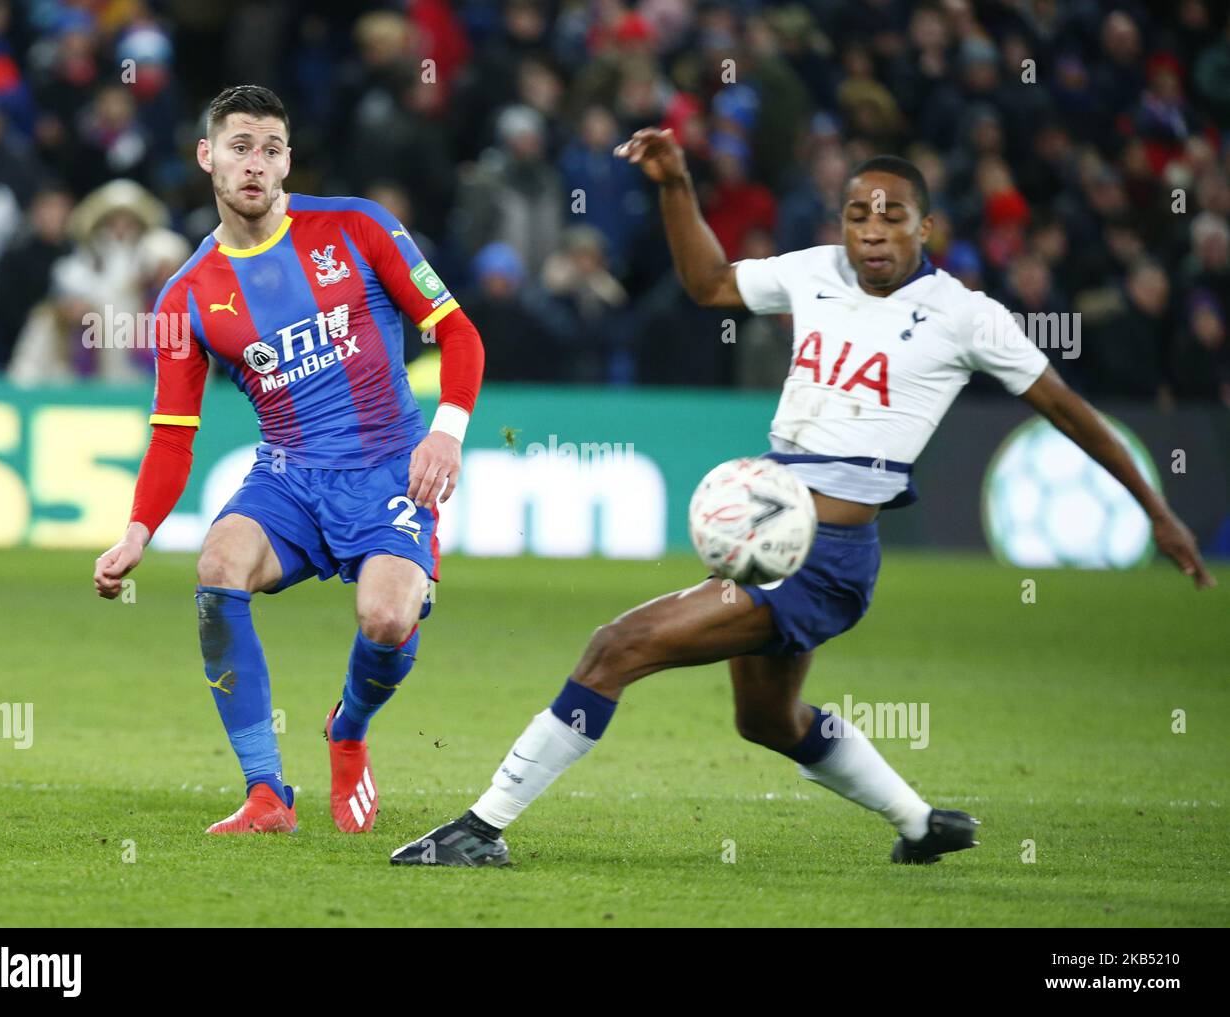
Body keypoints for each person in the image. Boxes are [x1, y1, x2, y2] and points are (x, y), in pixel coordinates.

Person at [391, 128, 1213, 869]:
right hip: (775, 536)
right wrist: (677, 184)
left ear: (925, 229)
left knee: (615, 648)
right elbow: (710, 283)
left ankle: (481, 829)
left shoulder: (967, 317)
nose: (871, 230)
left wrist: (1157, 510)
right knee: (767, 720)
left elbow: (1072, 413)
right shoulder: (816, 273)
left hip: (826, 557)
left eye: (892, 217)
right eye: (857, 214)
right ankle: (921, 824)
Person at [92, 85, 484, 836]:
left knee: (387, 616)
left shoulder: (357, 228)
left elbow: (460, 334)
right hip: (290, 475)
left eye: (271, 149)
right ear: (207, 157)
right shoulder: (187, 297)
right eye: (239, 146)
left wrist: (448, 432)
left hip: (390, 467)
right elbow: (174, 433)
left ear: (287, 161)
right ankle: (266, 792)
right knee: (216, 565)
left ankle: (348, 727)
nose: (256, 164)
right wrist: (137, 531)